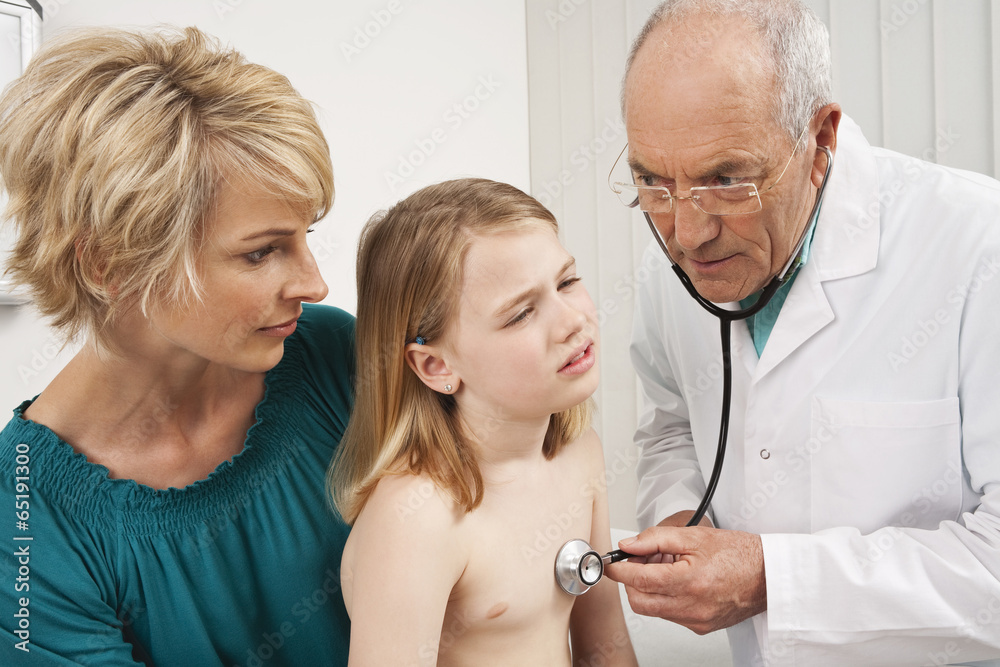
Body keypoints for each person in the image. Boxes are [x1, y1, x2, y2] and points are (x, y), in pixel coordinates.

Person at [602, 1, 1000, 665]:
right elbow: (670, 422)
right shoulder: (667, 261)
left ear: (821, 141)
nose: (688, 234)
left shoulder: (976, 247)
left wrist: (771, 578)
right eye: (653, 181)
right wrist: (680, 519)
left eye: (725, 180)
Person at [0, 27, 353, 665]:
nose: (314, 283)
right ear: (110, 263)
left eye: (305, 236)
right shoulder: (22, 521)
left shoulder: (339, 358)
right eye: (262, 251)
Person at [329, 178, 638, 665]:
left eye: (567, 282)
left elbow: (606, 645)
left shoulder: (580, 452)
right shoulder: (416, 519)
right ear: (437, 367)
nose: (572, 322)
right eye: (520, 314)